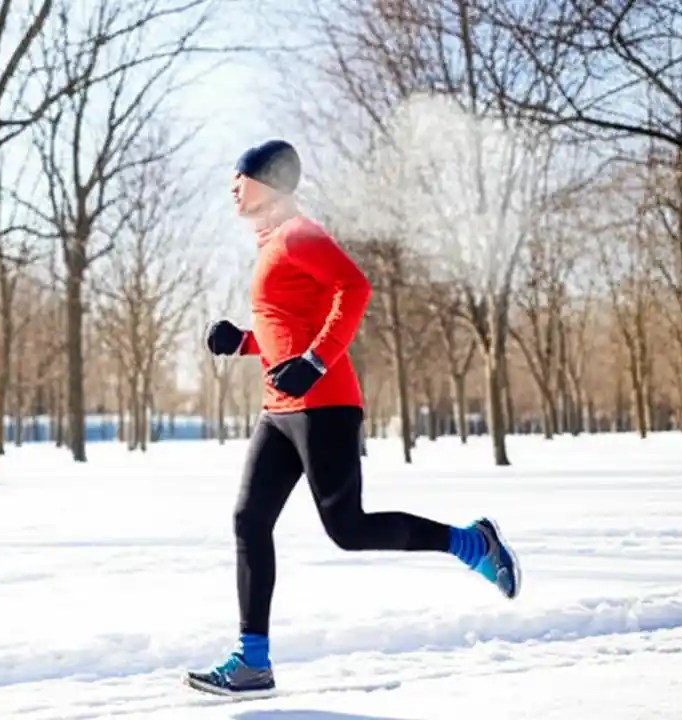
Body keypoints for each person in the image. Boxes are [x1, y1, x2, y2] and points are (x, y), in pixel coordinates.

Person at [184, 139, 521, 698]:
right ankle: (253, 662)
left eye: (239, 176)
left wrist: (315, 364)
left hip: (324, 406)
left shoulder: (298, 232)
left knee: (348, 529)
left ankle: (472, 544)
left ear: (268, 181)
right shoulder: (272, 244)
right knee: (249, 521)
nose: (232, 187)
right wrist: (242, 341)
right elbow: (289, 326)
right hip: (279, 411)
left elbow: (354, 289)